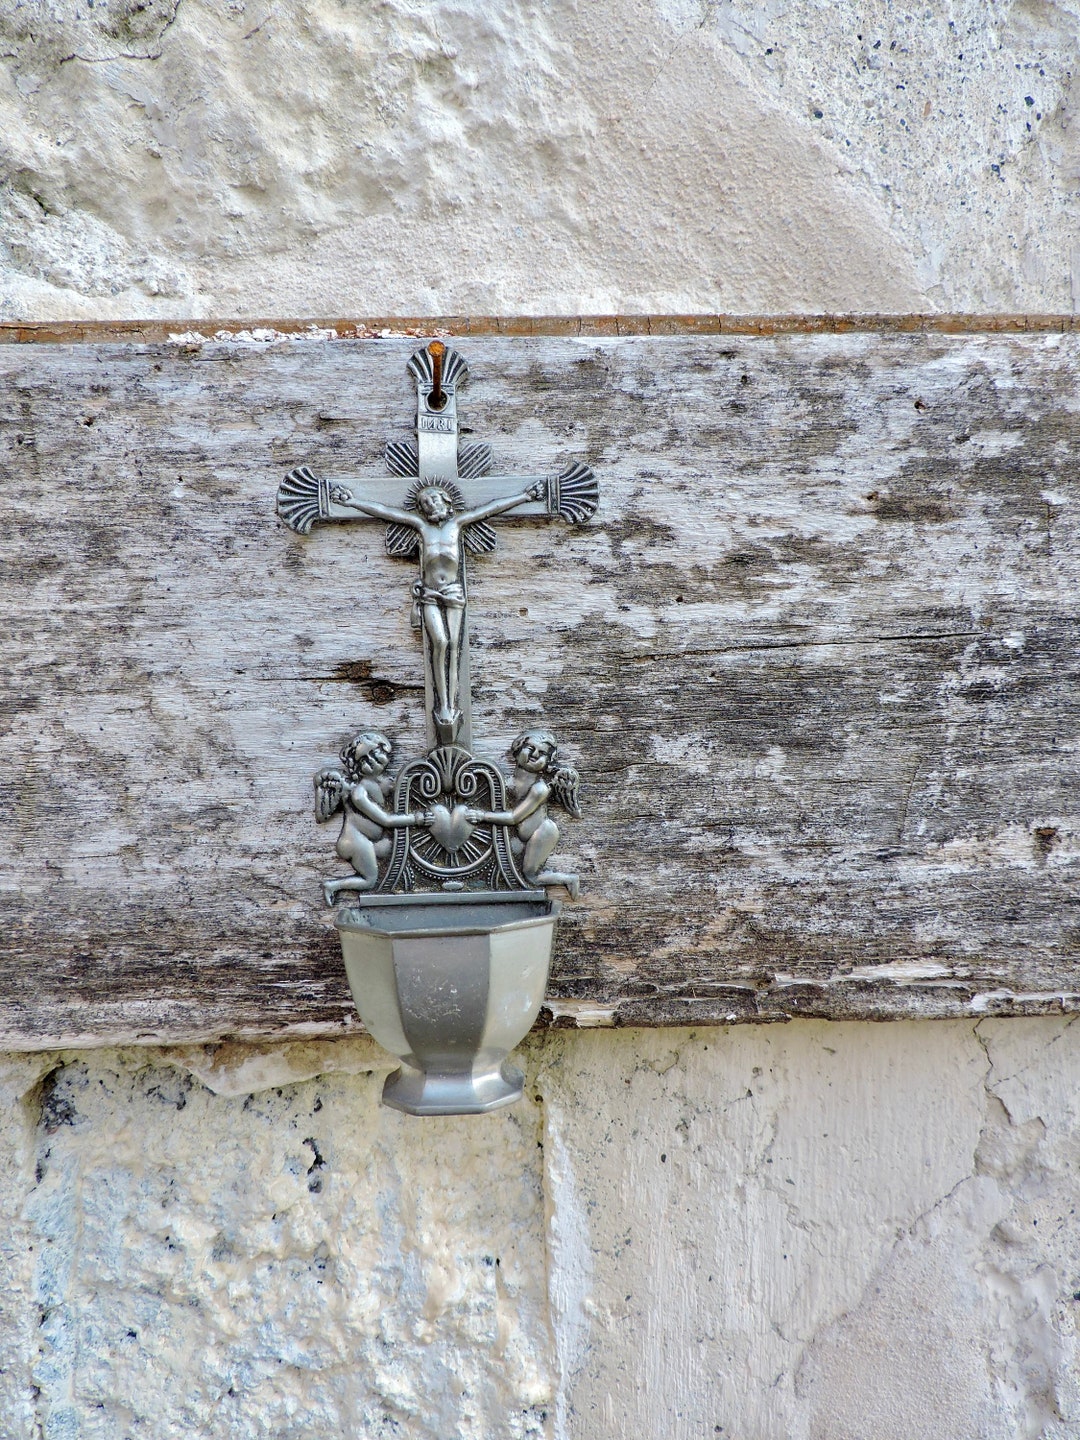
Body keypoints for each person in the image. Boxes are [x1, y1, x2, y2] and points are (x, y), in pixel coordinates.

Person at [330, 479, 544, 739]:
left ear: (447, 501)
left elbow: (490, 508)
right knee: (439, 643)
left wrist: (524, 496)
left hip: (453, 593)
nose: (429, 506)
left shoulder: (456, 525)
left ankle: (450, 706)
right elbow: (388, 512)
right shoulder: (422, 528)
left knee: (454, 646)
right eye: (424, 503)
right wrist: (352, 502)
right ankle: (442, 702)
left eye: (434, 500)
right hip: (430, 595)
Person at [468, 729, 582, 897]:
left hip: (542, 832)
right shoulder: (507, 782)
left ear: (548, 762)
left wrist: (482, 816)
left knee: (531, 876)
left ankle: (568, 879)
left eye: (542, 753)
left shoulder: (540, 789)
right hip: (519, 836)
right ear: (517, 749)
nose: (535, 755)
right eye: (530, 748)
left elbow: (514, 817)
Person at [314, 731, 422, 902]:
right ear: (364, 764)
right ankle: (333, 886)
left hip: (371, 841)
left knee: (391, 848)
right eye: (377, 760)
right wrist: (417, 819)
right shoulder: (359, 794)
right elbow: (386, 820)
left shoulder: (377, 782)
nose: (384, 762)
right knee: (370, 881)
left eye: (384, 758)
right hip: (355, 842)